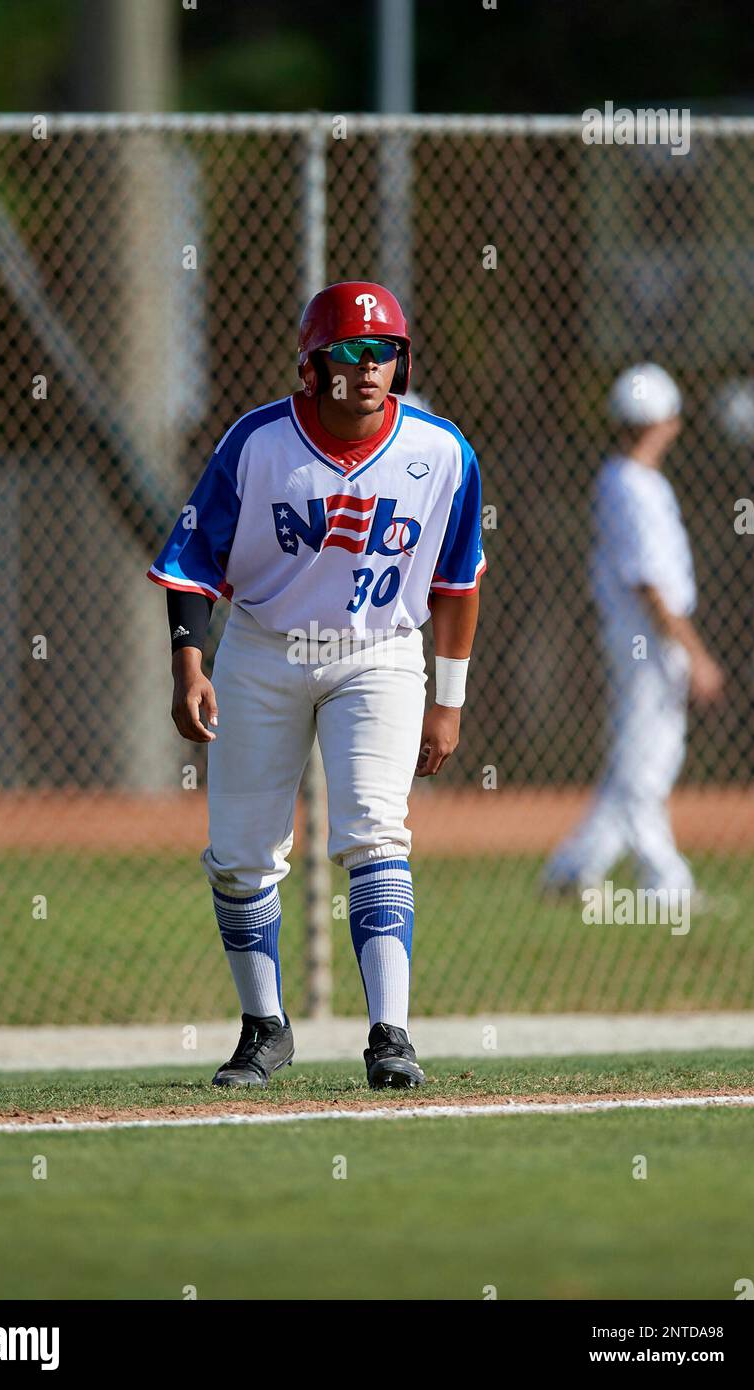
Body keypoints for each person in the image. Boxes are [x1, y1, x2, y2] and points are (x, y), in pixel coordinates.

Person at [148, 281, 486, 1088]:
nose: (367, 368)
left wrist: (450, 700)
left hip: (381, 653)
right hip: (265, 649)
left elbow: (457, 582)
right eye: (348, 353)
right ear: (312, 365)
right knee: (239, 855)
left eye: (383, 352)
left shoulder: (441, 452)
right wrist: (188, 663)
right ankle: (264, 1028)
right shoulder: (258, 443)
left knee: (375, 829)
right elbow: (192, 563)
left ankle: (390, 1036)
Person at [543, 363, 724, 899]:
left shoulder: (624, 480)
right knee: (648, 760)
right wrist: (696, 653)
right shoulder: (635, 487)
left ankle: (574, 867)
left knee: (640, 756)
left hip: (640, 635)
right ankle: (665, 880)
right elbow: (650, 583)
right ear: (660, 421)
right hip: (648, 637)